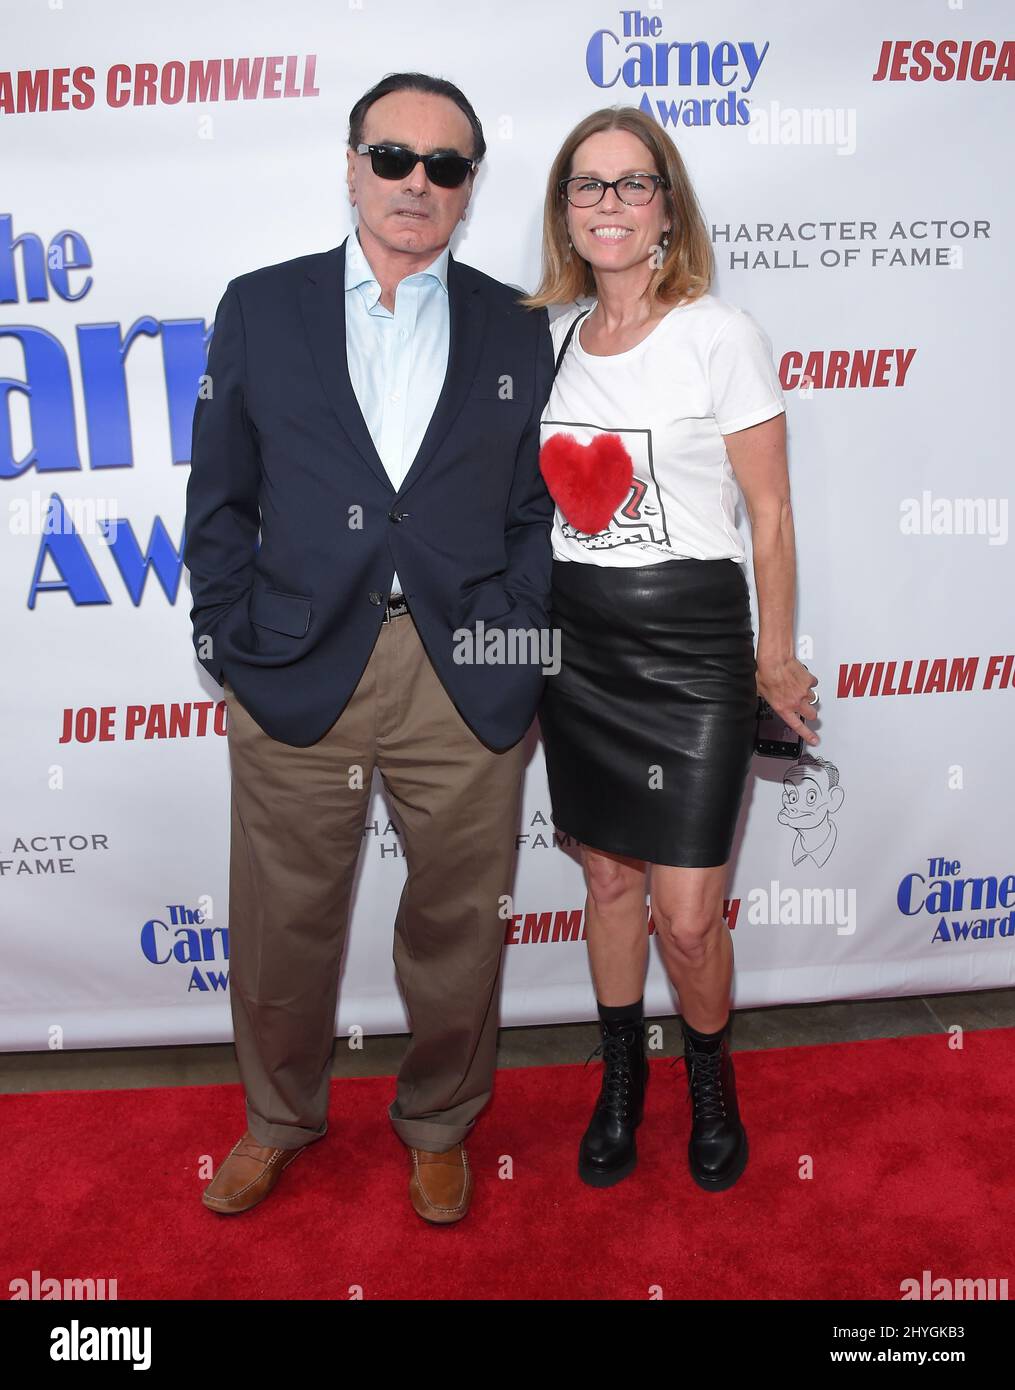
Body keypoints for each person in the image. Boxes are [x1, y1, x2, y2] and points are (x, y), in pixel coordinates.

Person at [183, 72, 555, 1222]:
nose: (415, 184)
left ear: (467, 190)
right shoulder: (261, 306)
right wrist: (236, 638)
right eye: (392, 157)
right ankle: (276, 1119)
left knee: (457, 925)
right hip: (299, 668)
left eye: (444, 168)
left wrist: (517, 638)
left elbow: (541, 511)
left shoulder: (520, 323)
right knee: (285, 924)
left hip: (466, 675)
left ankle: (440, 1122)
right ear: (350, 166)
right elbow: (220, 502)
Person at [523, 107, 819, 1192]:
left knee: (688, 919)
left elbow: (771, 515)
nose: (608, 204)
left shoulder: (717, 333)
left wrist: (773, 661)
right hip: (580, 643)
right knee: (607, 878)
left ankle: (706, 1078)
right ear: (564, 210)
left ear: (666, 208)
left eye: (630, 184)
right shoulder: (545, 339)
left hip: (692, 645)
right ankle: (618, 1082)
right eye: (586, 186)